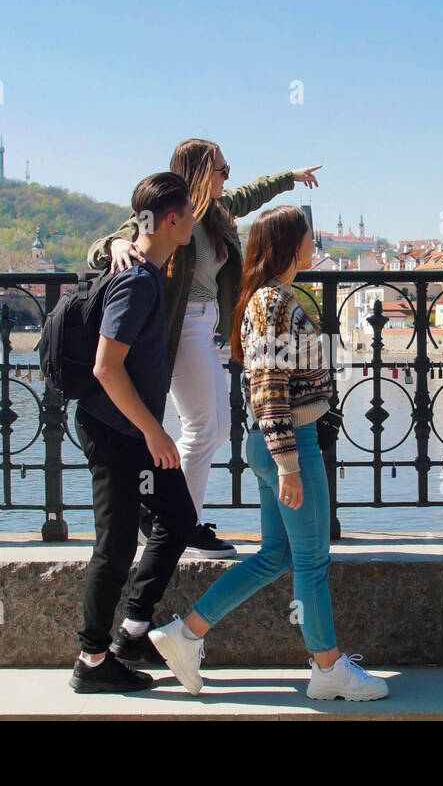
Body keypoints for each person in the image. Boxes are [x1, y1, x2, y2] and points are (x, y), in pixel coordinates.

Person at [149, 205, 389, 702]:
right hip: (290, 443)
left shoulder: (265, 299)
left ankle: (186, 633)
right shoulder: (274, 302)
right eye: (307, 237)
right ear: (288, 245)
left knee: (275, 556)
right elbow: (268, 384)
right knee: (312, 561)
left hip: (272, 442)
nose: (313, 245)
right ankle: (329, 669)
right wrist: (289, 465)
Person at [88, 139, 321, 559]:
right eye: (221, 169)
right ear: (199, 171)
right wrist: (114, 246)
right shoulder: (172, 210)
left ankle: (168, 516)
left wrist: (290, 178)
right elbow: (119, 239)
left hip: (206, 329)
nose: (227, 176)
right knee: (203, 428)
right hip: (180, 330)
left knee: (212, 429)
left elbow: (253, 193)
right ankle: (176, 523)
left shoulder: (214, 211)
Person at [69, 172, 200, 694]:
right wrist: (155, 432)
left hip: (133, 428)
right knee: (115, 544)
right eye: (188, 213)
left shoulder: (150, 270)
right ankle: (92, 660)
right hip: (115, 429)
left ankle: (134, 630)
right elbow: (106, 367)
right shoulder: (138, 281)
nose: (192, 220)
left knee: (178, 517)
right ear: (171, 220)